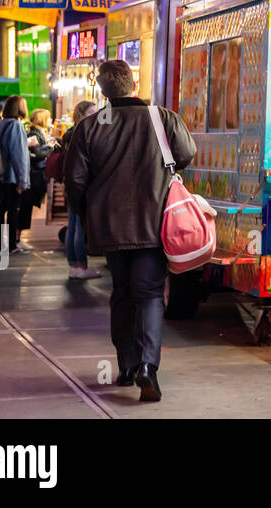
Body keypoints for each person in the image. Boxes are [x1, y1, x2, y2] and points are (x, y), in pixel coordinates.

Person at [65, 59, 195, 403]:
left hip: (111, 225)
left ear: (103, 89)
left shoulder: (89, 126)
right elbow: (187, 153)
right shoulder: (161, 117)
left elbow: (74, 180)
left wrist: (86, 212)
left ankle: (126, 365)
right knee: (150, 293)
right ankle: (149, 367)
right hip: (154, 223)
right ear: (132, 84)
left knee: (121, 292)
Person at [59, 101, 101, 280]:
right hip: (81, 184)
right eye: (92, 113)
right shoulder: (83, 134)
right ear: (82, 115)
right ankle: (81, 266)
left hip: (71, 184)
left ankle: (74, 265)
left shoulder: (70, 133)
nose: (96, 116)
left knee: (74, 224)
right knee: (79, 226)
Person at [0, 96, 31, 254]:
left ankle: (0, 244)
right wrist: (23, 180)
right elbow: (19, 154)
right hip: (13, 175)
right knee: (13, 209)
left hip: (2, 174)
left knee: (1, 208)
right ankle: (12, 245)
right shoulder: (16, 125)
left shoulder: (0, 124)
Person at [22, 108, 55, 233]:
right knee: (26, 205)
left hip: (36, 173)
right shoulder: (34, 134)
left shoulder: (39, 132)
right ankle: (17, 237)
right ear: (42, 119)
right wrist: (50, 147)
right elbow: (39, 153)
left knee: (27, 205)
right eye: (48, 118)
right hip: (34, 174)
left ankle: (18, 237)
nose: (51, 120)